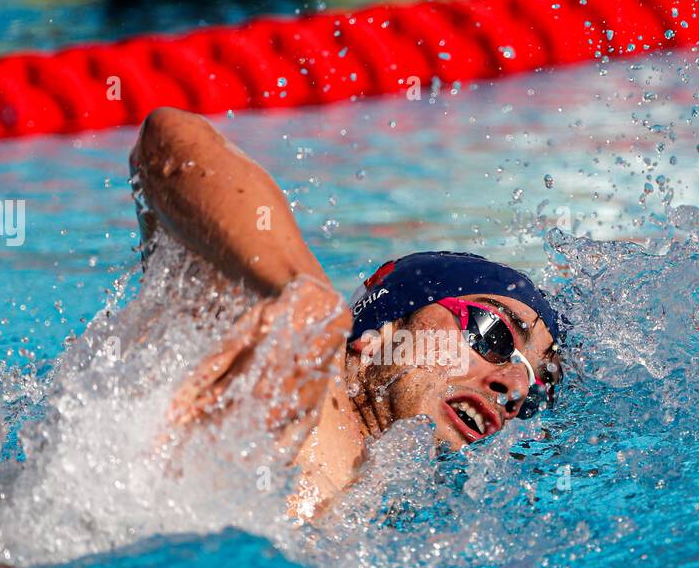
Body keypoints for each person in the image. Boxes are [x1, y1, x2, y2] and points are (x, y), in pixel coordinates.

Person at [130, 107, 564, 517]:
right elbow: (168, 140)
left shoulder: (391, 515)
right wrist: (301, 289)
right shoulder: (272, 354)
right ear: (384, 327)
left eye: (537, 389)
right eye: (494, 334)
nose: (515, 389)